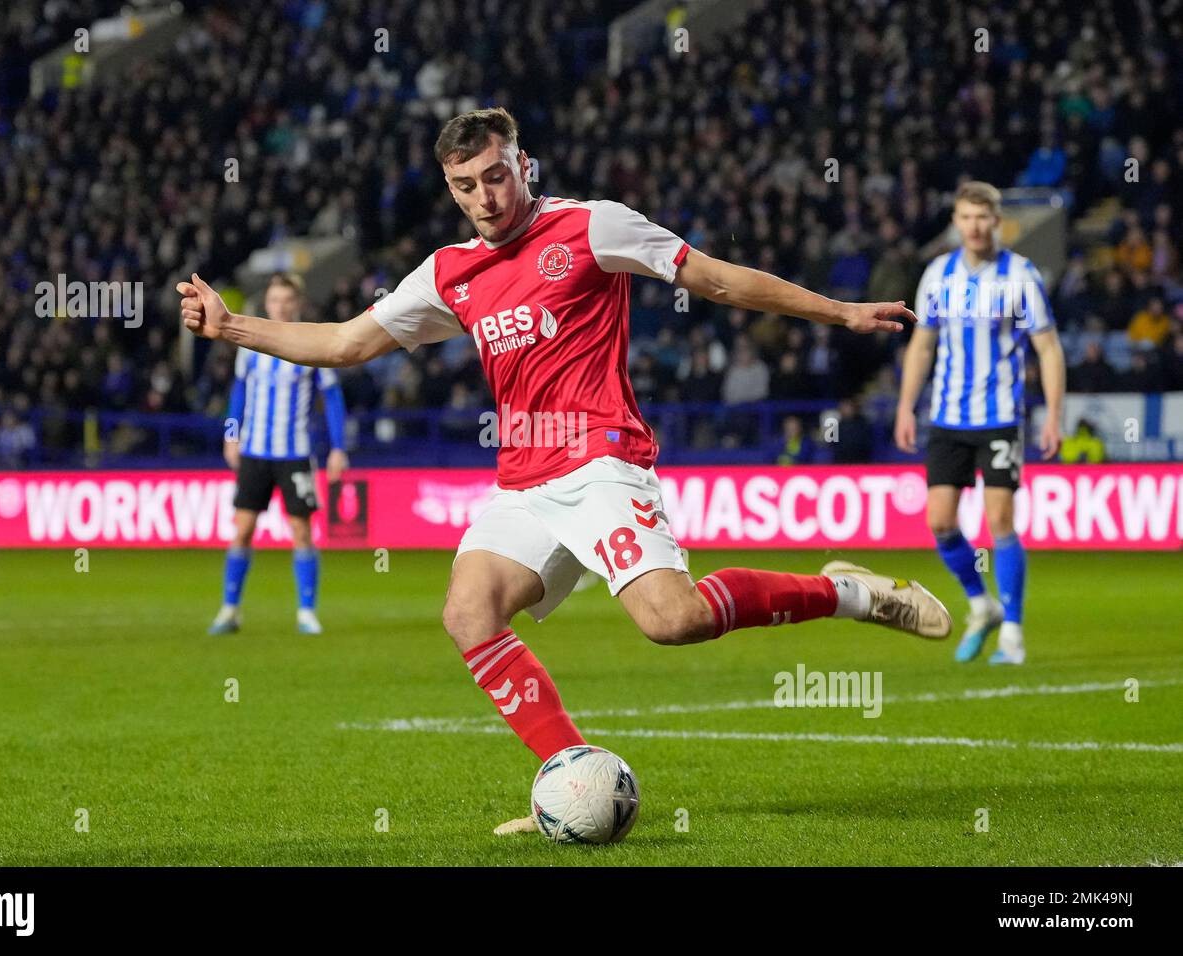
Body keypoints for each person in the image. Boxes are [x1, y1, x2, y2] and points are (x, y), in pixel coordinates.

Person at [180, 107, 951, 832]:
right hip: (523, 482)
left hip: (603, 462)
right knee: (467, 613)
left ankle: (850, 592)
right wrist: (231, 325)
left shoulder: (591, 227)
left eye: (494, 175)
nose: (483, 196)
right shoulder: (449, 273)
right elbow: (346, 343)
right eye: (464, 185)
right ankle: (569, 776)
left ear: (522, 164)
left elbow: (715, 278)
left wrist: (843, 312)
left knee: (671, 622)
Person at [895, 181, 1067, 666]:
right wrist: (906, 405)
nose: (974, 226)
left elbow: (1048, 347)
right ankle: (981, 603)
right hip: (947, 418)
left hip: (1000, 418)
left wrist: (1054, 413)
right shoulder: (938, 274)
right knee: (940, 521)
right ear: (956, 221)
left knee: (1000, 521)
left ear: (997, 222)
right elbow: (922, 344)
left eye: (983, 217)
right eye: (966, 217)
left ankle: (1012, 633)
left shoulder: (1020, 276)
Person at [207, 273, 349, 636]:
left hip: (296, 453)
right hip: (255, 451)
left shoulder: (311, 344)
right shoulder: (250, 344)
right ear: (266, 303)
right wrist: (231, 435)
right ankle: (230, 609)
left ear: (297, 303)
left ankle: (306, 612)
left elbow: (332, 398)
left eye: (287, 300)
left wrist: (338, 448)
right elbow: (238, 393)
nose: (280, 306)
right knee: (243, 529)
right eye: (274, 300)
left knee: (301, 531)